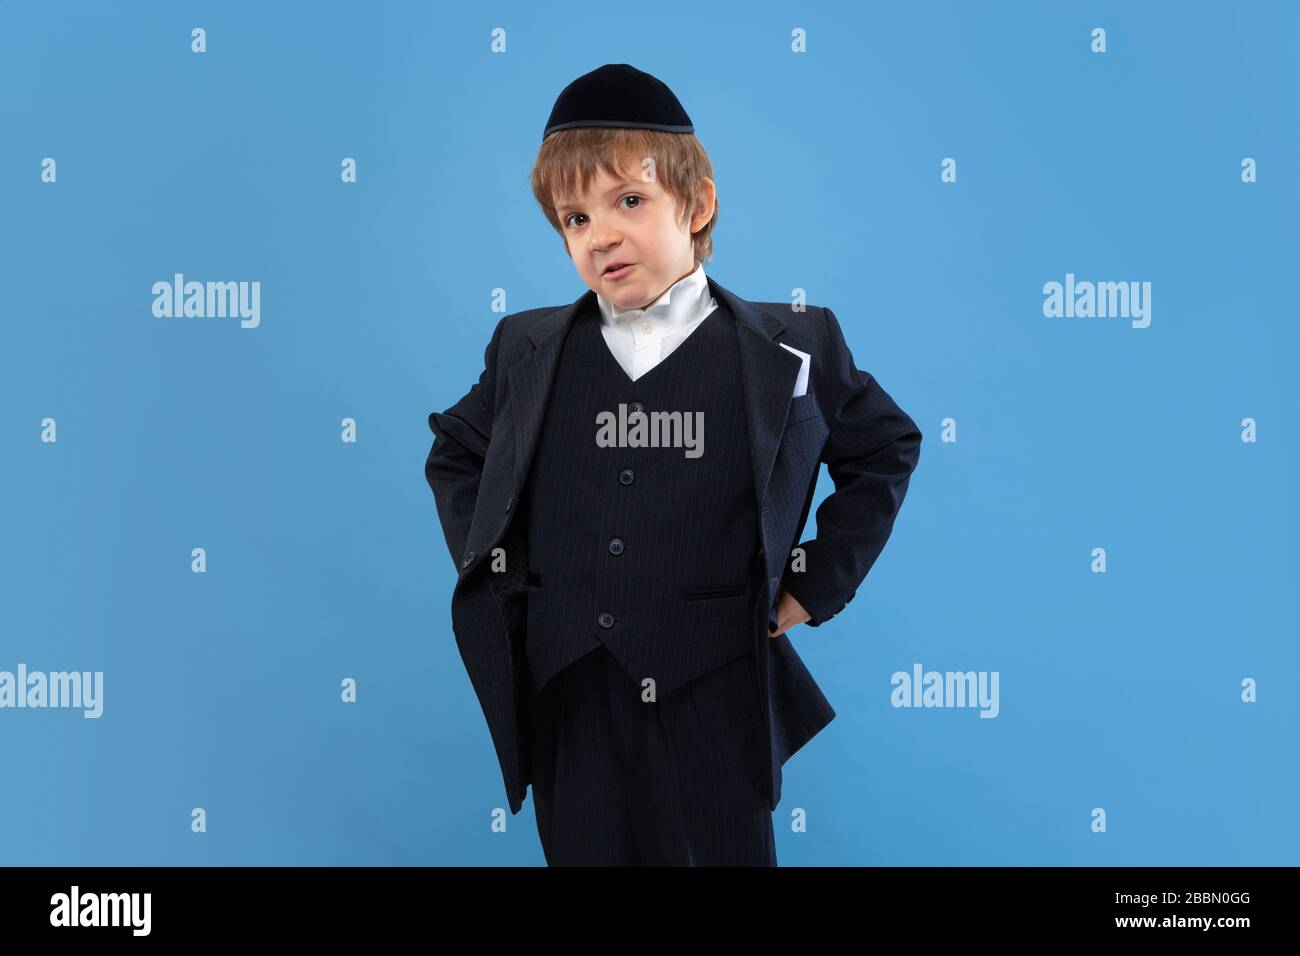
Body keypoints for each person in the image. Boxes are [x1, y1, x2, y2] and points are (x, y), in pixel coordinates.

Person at [425, 63, 922, 865]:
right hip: (570, 692)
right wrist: (503, 570)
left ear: (697, 203)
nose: (601, 234)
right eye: (575, 218)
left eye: (629, 201)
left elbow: (886, 447)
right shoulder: (526, 346)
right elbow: (457, 451)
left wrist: (813, 582)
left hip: (714, 689)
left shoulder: (795, 345)